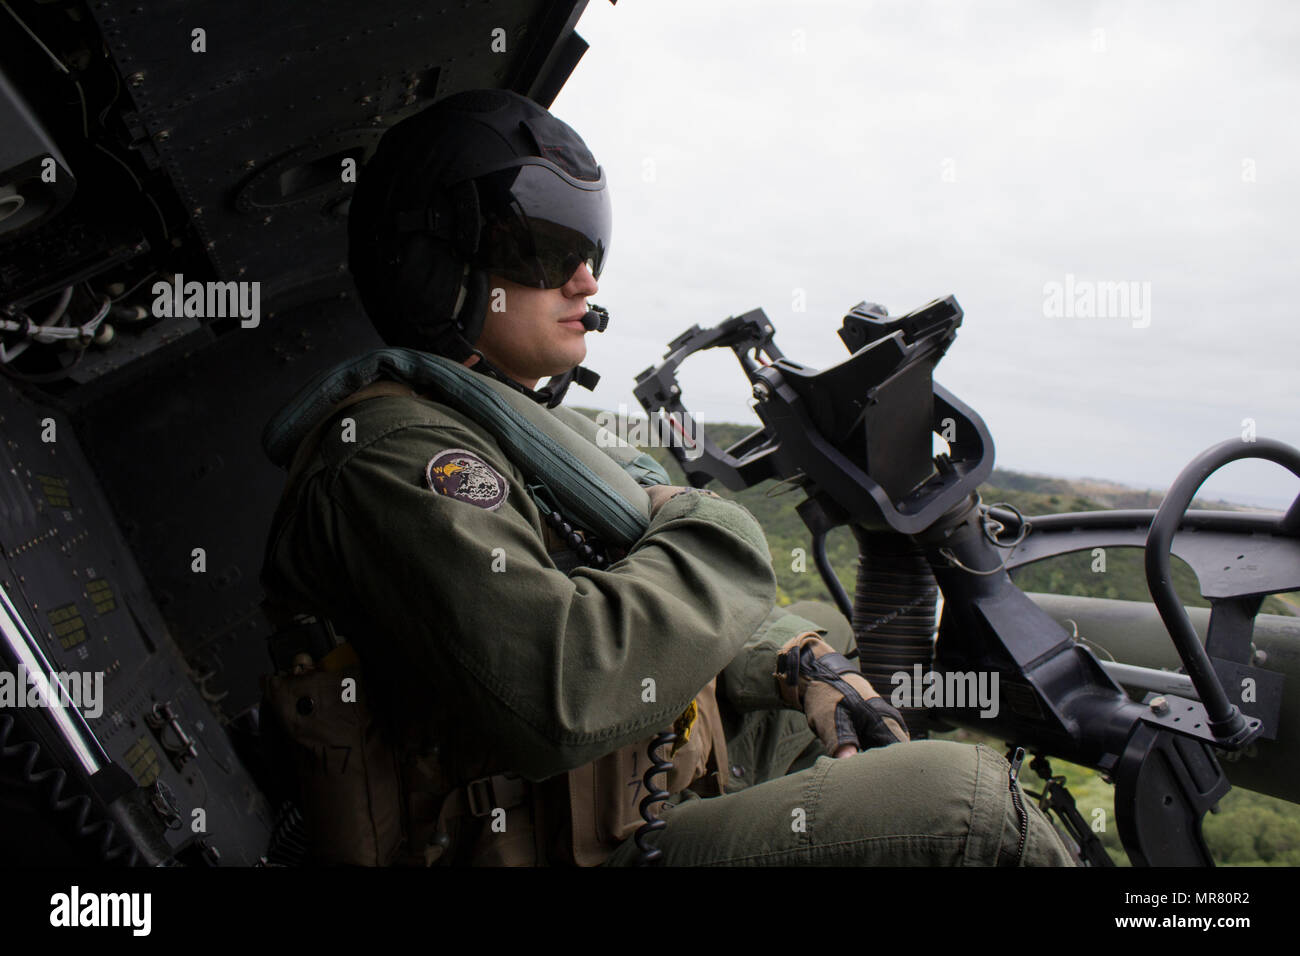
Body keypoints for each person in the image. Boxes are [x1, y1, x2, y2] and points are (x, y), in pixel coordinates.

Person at [258, 88, 1076, 867]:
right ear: (435, 267)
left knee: (833, 657)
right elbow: (563, 691)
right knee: (966, 809)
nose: (586, 281)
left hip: (619, 811)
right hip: (555, 852)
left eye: (590, 252)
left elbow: (659, 594)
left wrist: (798, 662)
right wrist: (714, 526)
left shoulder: (521, 429)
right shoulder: (395, 458)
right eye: (546, 251)